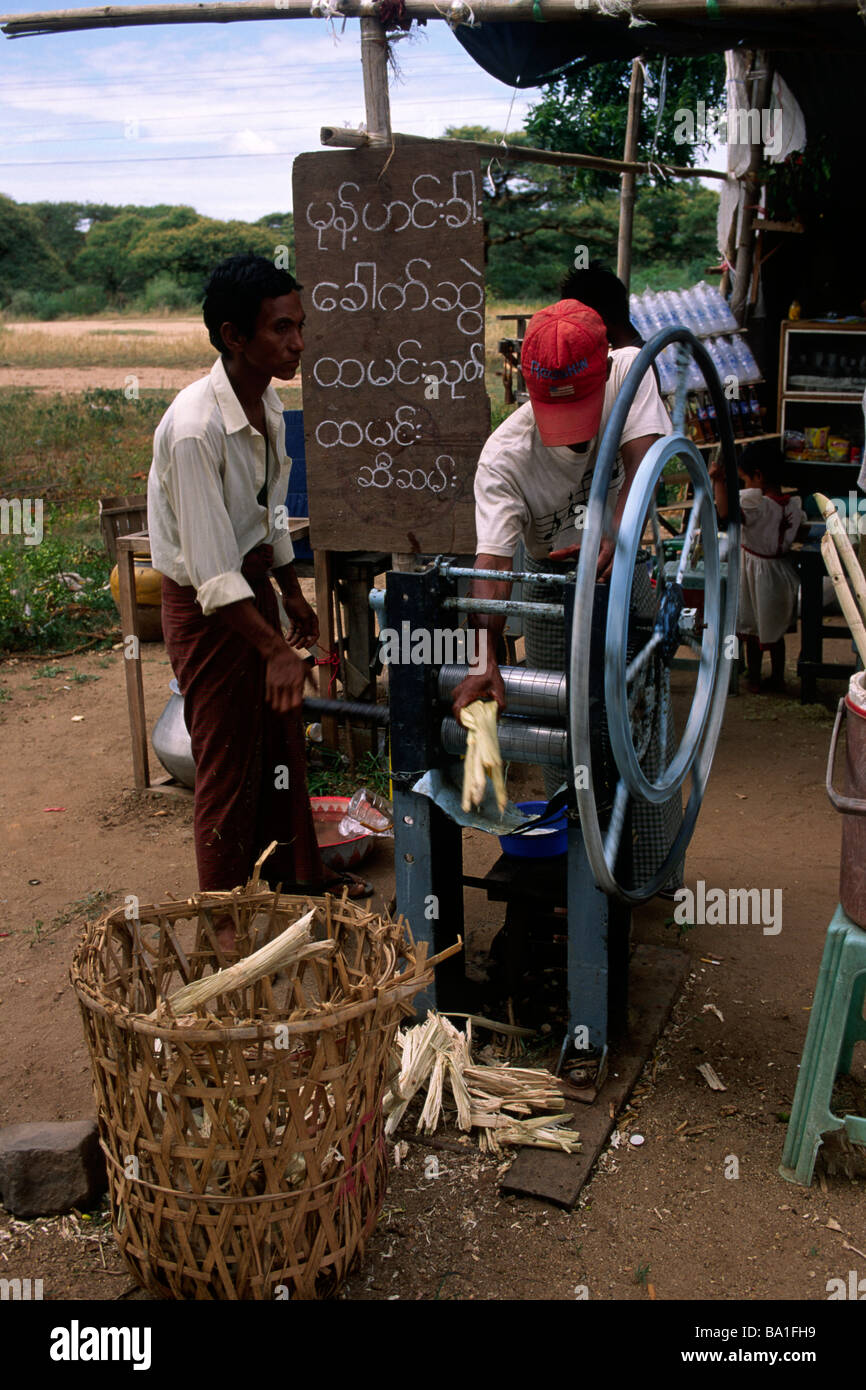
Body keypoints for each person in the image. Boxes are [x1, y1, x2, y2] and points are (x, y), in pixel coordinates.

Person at [147, 254, 367, 953]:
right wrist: (273, 646)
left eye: (300, 326)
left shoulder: (266, 400)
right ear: (234, 335)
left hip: (248, 590)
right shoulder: (195, 430)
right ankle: (221, 922)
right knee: (224, 759)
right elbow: (211, 576)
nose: (298, 342)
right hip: (207, 609)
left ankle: (296, 878)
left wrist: (290, 590)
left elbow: (266, 514)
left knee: (279, 738)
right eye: (282, 329)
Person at [451, 298, 682, 890]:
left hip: (626, 574)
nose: (574, 441)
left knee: (642, 722)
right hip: (550, 584)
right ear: (527, 386)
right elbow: (492, 565)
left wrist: (615, 534)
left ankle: (648, 876)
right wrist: (485, 657)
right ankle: (582, 868)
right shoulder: (504, 460)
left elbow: (644, 463)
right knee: (566, 730)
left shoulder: (631, 370)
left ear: (603, 369)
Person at [711, 440, 803, 693]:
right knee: (774, 630)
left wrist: (719, 482)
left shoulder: (758, 504)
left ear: (758, 476)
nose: (745, 486)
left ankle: (753, 677)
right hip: (781, 572)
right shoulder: (794, 505)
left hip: (754, 573)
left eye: (745, 480)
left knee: (751, 629)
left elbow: (725, 514)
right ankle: (777, 677)